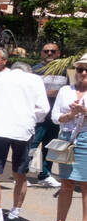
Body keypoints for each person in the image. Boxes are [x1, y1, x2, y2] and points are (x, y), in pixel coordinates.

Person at [0, 47, 50, 221]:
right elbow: (44, 110)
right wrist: (31, 119)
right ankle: (15, 214)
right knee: (20, 173)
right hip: (23, 131)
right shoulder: (35, 80)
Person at [45, 54, 87, 221]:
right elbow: (55, 117)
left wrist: (84, 112)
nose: (83, 73)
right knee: (66, 183)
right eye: (80, 69)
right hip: (66, 139)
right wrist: (71, 114)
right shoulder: (65, 90)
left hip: (85, 139)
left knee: (85, 186)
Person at [32, 42, 68, 189]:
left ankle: (45, 175)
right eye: (46, 51)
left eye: (52, 51)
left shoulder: (64, 71)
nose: (49, 54)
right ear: (41, 53)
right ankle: (23, 171)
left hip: (55, 116)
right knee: (32, 145)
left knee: (51, 146)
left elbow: (66, 91)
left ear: (58, 53)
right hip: (39, 115)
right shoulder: (35, 71)